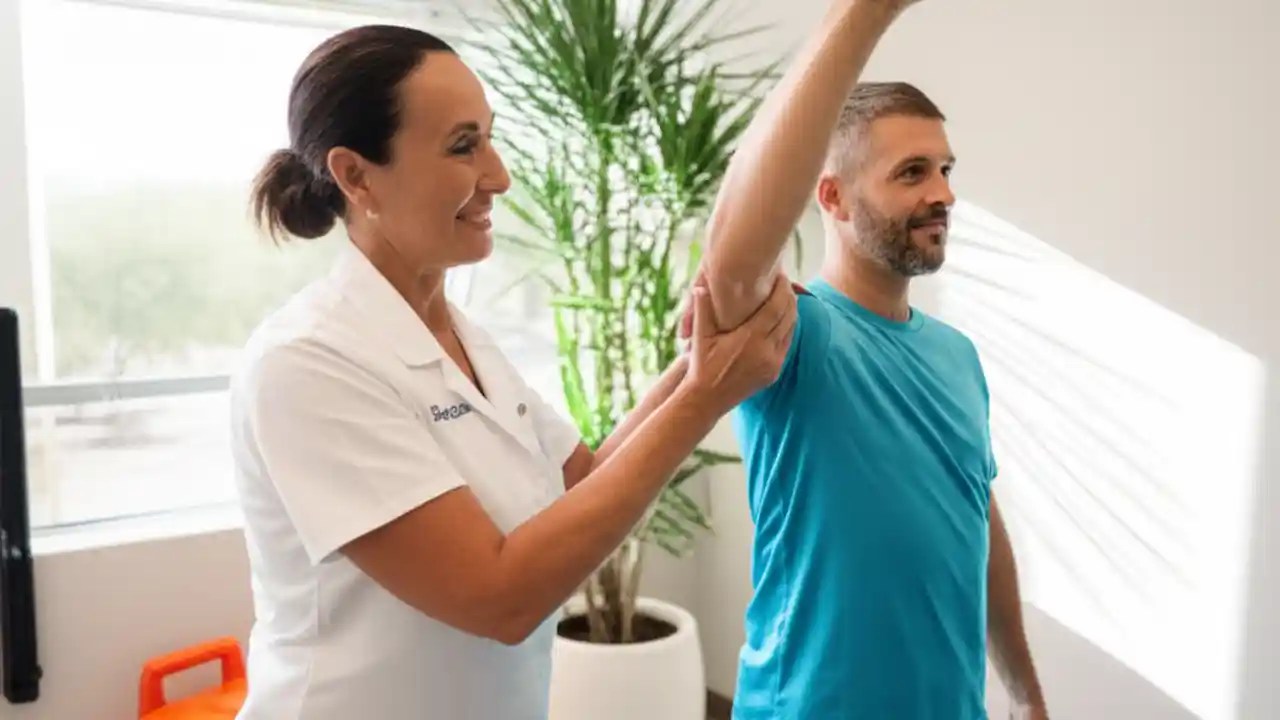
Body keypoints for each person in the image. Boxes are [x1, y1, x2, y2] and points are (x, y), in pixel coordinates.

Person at [229, 24, 799, 720]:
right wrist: (707, 396)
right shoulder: (307, 363)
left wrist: (695, 360)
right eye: (464, 146)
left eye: (489, 139)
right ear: (355, 175)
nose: (499, 175)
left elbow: (586, 483)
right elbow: (499, 597)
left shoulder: (459, 336)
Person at [688, 0, 1049, 718]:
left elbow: (978, 522)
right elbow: (730, 256)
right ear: (833, 198)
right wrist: (863, 14)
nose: (942, 193)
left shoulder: (956, 355)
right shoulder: (786, 330)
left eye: (944, 168)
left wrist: (1023, 690)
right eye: (912, 172)